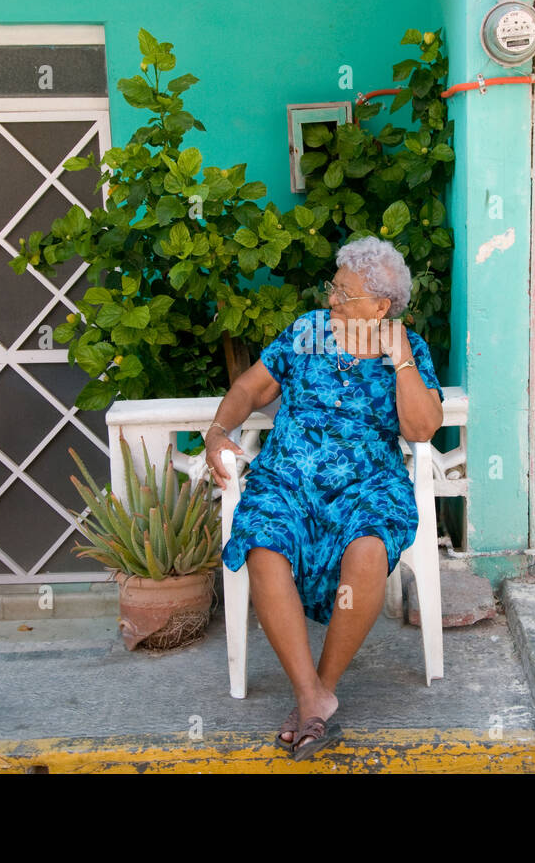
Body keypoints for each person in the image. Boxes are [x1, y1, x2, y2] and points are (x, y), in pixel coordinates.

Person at [203, 236, 444, 760]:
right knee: (264, 542)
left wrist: (400, 360)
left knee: (369, 550)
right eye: (334, 287)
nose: (332, 300)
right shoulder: (307, 333)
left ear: (381, 306)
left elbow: (422, 430)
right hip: (289, 477)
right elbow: (250, 389)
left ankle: (322, 686)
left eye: (345, 293)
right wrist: (219, 430)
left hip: (367, 483)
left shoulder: (410, 349)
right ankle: (311, 696)